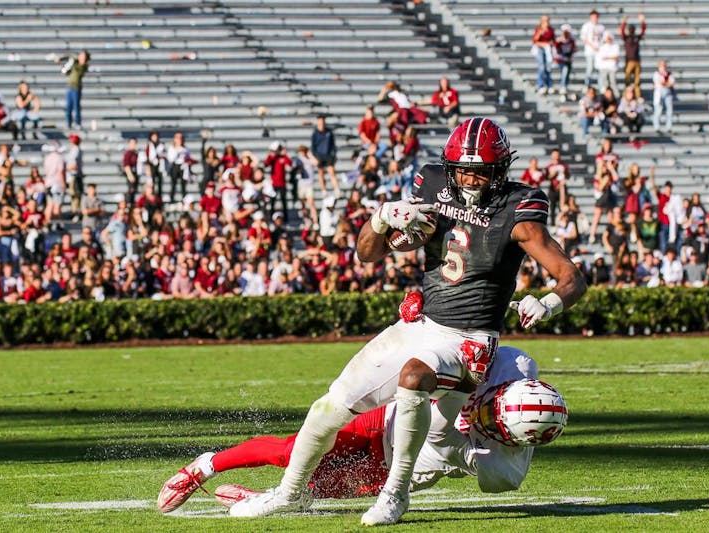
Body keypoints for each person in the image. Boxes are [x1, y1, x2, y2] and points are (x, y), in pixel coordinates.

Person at [226, 117, 586, 526]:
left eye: (481, 172)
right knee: (328, 408)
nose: (470, 180)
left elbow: (571, 277)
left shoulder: (516, 209)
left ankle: (394, 494)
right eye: (463, 170)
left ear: (500, 171)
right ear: (449, 167)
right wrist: (380, 219)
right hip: (420, 326)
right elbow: (367, 253)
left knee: (414, 377)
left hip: (469, 340)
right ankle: (288, 494)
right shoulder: (433, 185)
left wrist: (550, 302)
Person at [157, 345, 566, 513]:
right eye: (493, 408)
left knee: (317, 490)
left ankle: (274, 496)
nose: (484, 417)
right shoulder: (513, 364)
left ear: (513, 440)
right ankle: (205, 466)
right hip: (389, 416)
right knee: (295, 451)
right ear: (509, 389)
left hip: (408, 466)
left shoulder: (503, 471)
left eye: (493, 424)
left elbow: (440, 431)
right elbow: (456, 345)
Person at [56, 49, 90, 129]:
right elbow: (69, 57)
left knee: (76, 107)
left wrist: (73, 61)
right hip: (70, 87)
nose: (81, 57)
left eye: (83, 56)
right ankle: (68, 123)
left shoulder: (84, 66)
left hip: (76, 88)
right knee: (68, 107)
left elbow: (79, 70)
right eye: (80, 55)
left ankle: (78, 123)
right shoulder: (75, 62)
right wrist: (61, 59)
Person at [310, 115, 340, 196]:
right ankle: (324, 191)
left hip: (328, 155)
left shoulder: (329, 132)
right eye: (320, 121)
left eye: (323, 121)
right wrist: (315, 157)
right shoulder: (315, 134)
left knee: (332, 172)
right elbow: (313, 147)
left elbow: (333, 145)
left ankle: (337, 190)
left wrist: (333, 155)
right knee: (321, 174)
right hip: (319, 156)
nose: (321, 123)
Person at [620, 13, 647, 96]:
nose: (631, 30)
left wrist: (642, 21)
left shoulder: (636, 37)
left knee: (637, 81)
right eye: (630, 29)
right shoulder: (626, 38)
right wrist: (624, 21)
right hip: (629, 61)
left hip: (637, 60)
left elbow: (643, 31)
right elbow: (622, 30)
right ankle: (626, 95)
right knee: (627, 80)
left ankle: (638, 96)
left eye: (632, 29)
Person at [580, 9, 606, 88]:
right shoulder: (586, 26)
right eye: (593, 16)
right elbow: (583, 39)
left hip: (599, 52)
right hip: (590, 51)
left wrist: (601, 47)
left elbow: (604, 39)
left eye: (596, 16)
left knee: (600, 69)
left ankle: (601, 86)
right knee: (590, 68)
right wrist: (592, 46)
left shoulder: (601, 27)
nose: (595, 18)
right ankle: (587, 85)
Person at [532, 16, 556, 95]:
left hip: (548, 50)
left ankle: (549, 85)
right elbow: (535, 41)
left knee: (548, 68)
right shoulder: (539, 29)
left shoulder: (551, 30)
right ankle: (541, 85)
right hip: (540, 49)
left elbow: (553, 41)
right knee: (541, 67)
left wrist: (549, 44)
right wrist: (540, 33)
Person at [652, 60, 675, 133]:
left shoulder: (669, 74)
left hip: (668, 94)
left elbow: (671, 83)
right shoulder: (656, 74)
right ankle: (657, 127)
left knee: (669, 111)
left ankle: (669, 127)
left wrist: (665, 83)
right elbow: (659, 82)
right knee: (658, 111)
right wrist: (666, 83)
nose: (664, 67)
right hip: (659, 94)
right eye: (662, 66)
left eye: (665, 66)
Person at [554, 24, 576, 97]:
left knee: (567, 72)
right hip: (561, 59)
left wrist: (570, 57)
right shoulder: (558, 41)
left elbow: (574, 49)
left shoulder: (571, 40)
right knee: (565, 71)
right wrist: (564, 58)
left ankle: (565, 85)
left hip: (568, 58)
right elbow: (555, 52)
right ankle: (563, 86)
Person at [122, 137, 139, 206]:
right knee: (131, 189)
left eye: (134, 143)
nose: (133, 145)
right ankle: (128, 204)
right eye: (132, 143)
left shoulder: (135, 153)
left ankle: (132, 203)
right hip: (131, 173)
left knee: (134, 190)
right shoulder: (128, 153)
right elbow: (126, 165)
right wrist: (130, 175)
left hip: (135, 173)